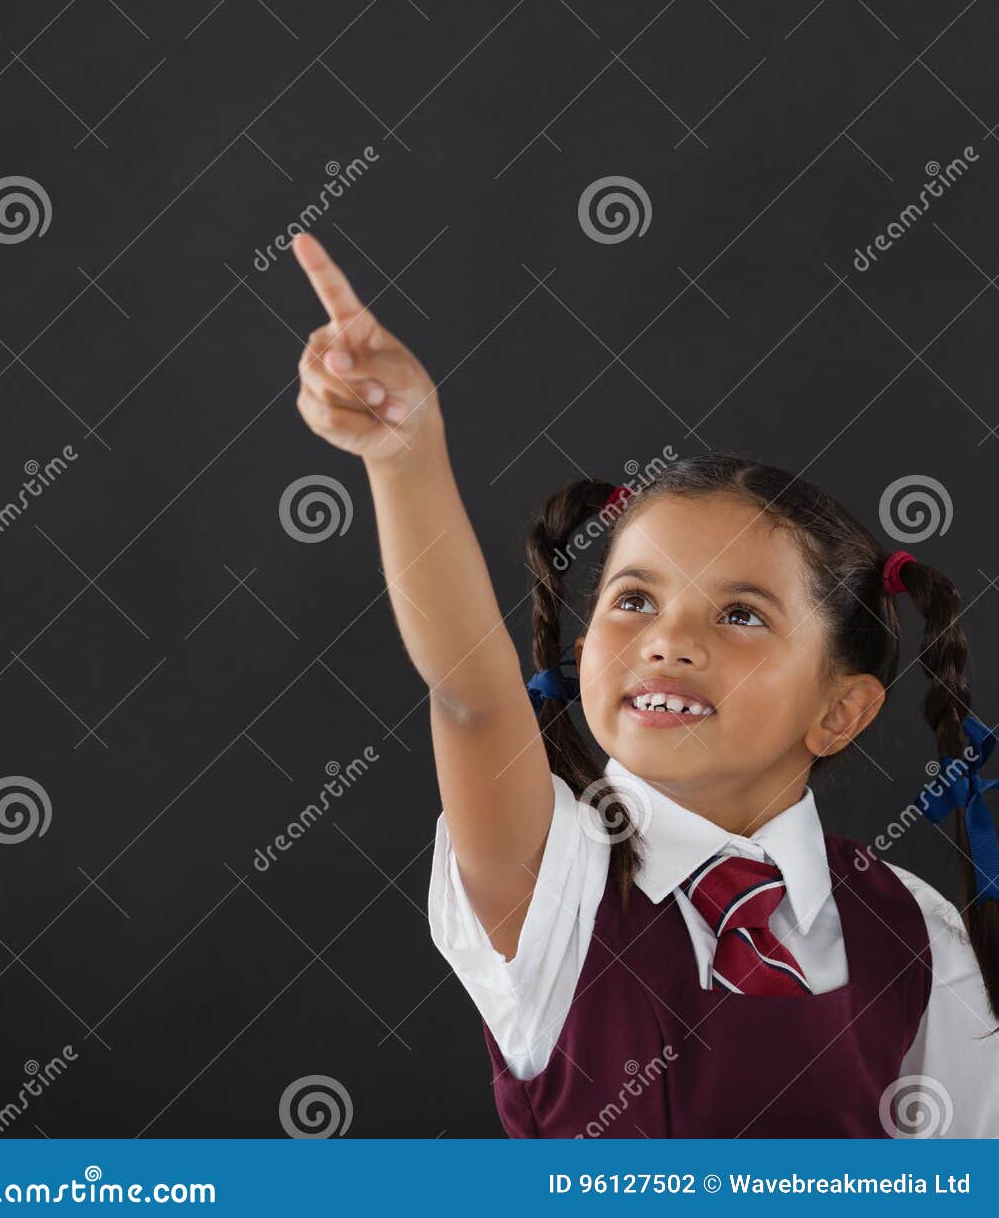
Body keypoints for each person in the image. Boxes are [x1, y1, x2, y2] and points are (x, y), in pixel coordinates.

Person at [291, 230, 999, 1138]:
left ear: (840, 710)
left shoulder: (914, 930)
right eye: (632, 600)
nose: (667, 641)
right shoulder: (557, 878)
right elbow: (473, 698)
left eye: (740, 614)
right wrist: (404, 458)